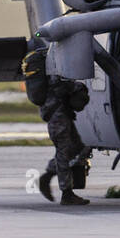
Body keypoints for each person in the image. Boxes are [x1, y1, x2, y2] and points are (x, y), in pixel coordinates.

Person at [37, 75, 90, 206]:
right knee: (64, 152)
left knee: (78, 147)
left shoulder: (58, 69)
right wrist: (79, 86)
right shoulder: (54, 71)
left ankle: (49, 174)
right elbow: (60, 88)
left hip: (63, 114)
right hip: (58, 117)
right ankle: (67, 194)